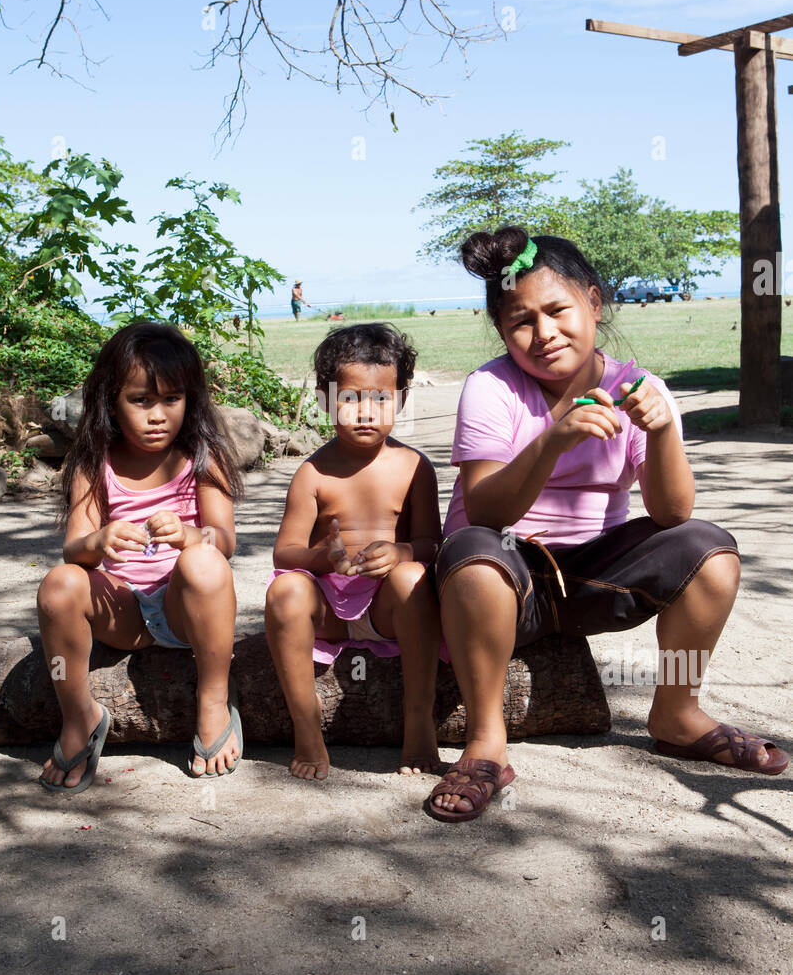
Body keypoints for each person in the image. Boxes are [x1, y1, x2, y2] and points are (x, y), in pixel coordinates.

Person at [427, 227, 788, 823]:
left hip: (594, 583)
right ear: (500, 331)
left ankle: (677, 711)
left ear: (593, 302)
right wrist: (552, 439)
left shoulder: (637, 388)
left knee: (709, 551)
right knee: (473, 550)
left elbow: (672, 515)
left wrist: (664, 427)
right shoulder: (490, 388)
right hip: (504, 582)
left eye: (557, 310)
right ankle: (487, 740)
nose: (543, 334)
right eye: (521, 321)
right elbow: (486, 512)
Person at [36, 321, 244, 792]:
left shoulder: (203, 457)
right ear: (111, 401)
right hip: (123, 612)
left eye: (171, 399)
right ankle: (79, 715)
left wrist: (191, 535)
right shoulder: (94, 462)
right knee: (58, 582)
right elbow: (74, 546)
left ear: (189, 401)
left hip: (185, 609)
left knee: (205, 560)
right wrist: (98, 541)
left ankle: (213, 697)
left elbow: (225, 541)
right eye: (141, 400)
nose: (158, 415)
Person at [265, 323, 443, 781]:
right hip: (329, 609)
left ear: (400, 399)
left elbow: (432, 544)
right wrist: (320, 557)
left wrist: (402, 551)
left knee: (412, 577)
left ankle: (419, 724)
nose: (367, 412)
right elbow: (284, 554)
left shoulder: (414, 468)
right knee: (285, 592)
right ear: (326, 401)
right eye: (350, 398)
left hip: (388, 607)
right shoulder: (313, 473)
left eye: (381, 398)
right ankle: (307, 730)